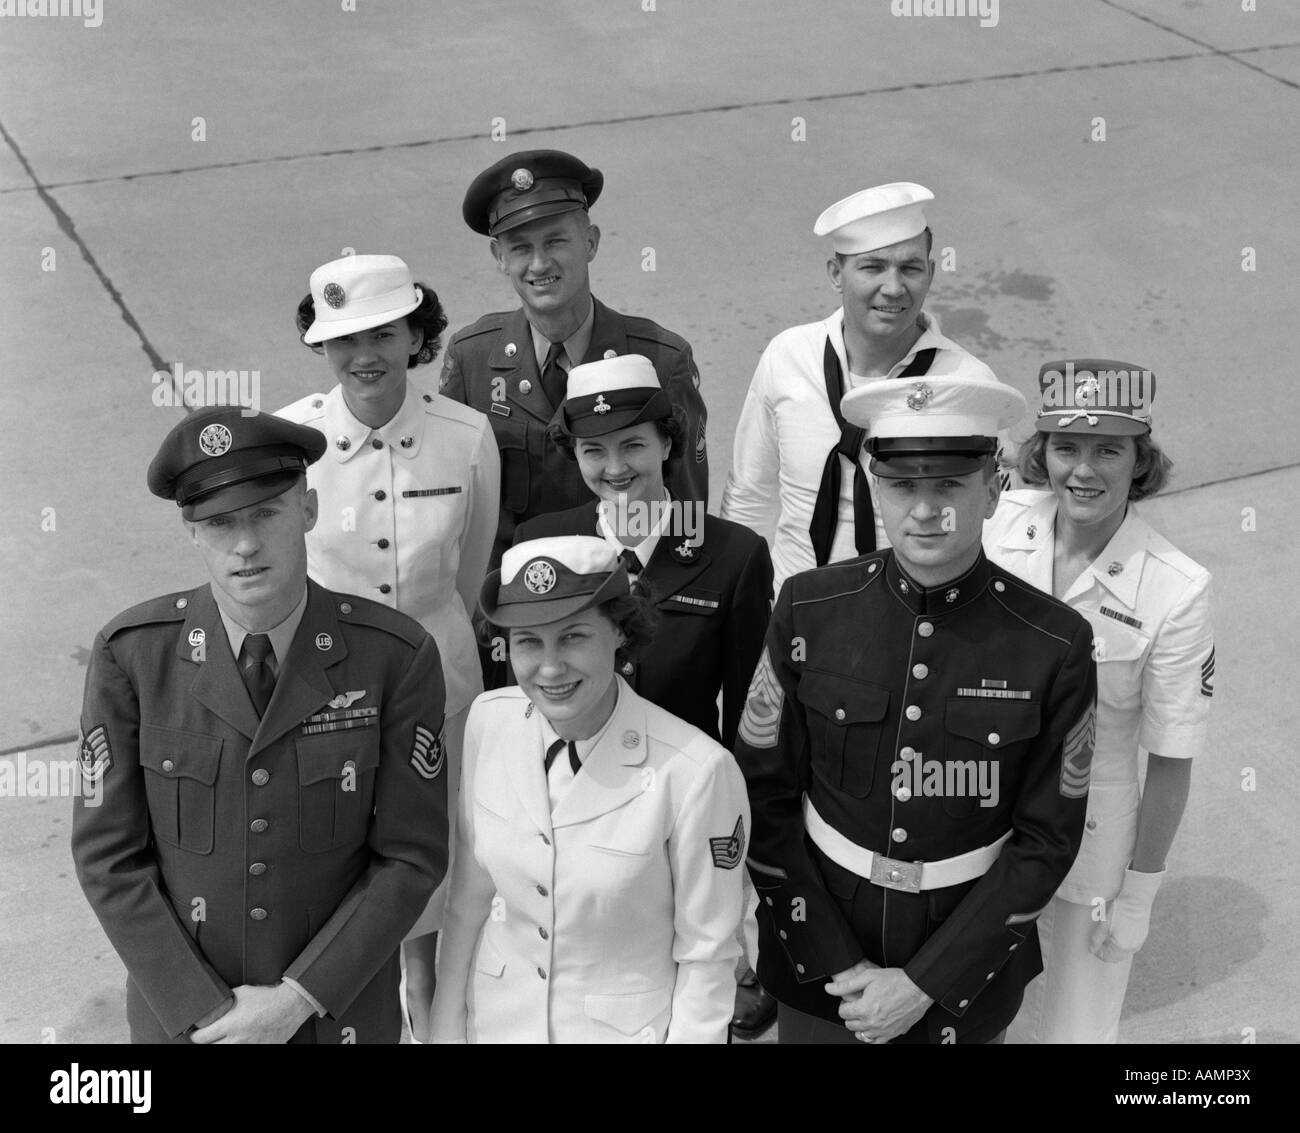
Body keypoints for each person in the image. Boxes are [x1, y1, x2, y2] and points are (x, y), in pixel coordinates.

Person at [732, 364, 1098, 1044]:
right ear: (876, 486)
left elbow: (1047, 840)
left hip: (966, 967)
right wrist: (838, 964)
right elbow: (761, 793)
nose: (926, 509)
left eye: (950, 485)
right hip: (820, 955)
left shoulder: (1054, 644)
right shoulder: (809, 609)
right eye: (903, 485)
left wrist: (926, 982)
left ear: (994, 490)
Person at [72, 407, 448, 1044]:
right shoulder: (133, 656)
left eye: (266, 514)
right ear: (191, 532)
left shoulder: (394, 656)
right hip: (185, 1024)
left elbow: (411, 857)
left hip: (338, 1018)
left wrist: (298, 1002)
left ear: (308, 510)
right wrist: (206, 1013)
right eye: (219, 523)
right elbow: (107, 858)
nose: (244, 545)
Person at [515, 354, 778, 1039]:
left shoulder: (733, 554)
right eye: (593, 450)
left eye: (634, 444)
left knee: (686, 986)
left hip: (680, 819)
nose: (616, 468)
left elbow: (752, 720)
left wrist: (741, 863)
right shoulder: (540, 546)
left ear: (669, 442)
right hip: (565, 819)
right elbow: (519, 704)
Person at [278, 253, 499, 1041]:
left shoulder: (467, 437)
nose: (363, 356)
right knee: (342, 864)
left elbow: (469, 578)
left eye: (382, 332)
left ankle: (436, 1017)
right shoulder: (294, 436)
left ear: (416, 334)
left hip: (439, 691)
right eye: (342, 340)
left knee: (433, 870)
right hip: (329, 693)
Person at [429, 537, 749, 1043]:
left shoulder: (697, 772)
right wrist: (443, 1033)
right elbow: (467, 901)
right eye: (528, 641)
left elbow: (706, 957)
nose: (550, 668)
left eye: (573, 637)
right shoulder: (488, 722)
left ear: (620, 631)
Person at [984, 358, 1214, 1043]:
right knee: (966, 1016)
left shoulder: (1177, 587)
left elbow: (1172, 754)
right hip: (977, 818)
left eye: (1108, 449)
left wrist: (1140, 889)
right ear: (1041, 454)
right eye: (1066, 447)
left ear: (1140, 461)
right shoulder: (996, 524)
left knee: (1075, 1033)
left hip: (1090, 845)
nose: (1083, 471)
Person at [439, 149, 709, 580]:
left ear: (591, 241)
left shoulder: (660, 359)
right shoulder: (473, 360)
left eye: (555, 241)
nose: (540, 264)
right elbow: (458, 507)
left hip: (625, 605)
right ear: (499, 257)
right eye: (520, 248)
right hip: (514, 604)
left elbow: (687, 511)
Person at [721, 182, 1000, 597]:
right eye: (872, 267)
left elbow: (994, 522)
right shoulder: (787, 357)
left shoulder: (968, 385)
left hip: (910, 625)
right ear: (836, 274)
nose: (893, 288)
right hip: (790, 613)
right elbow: (750, 495)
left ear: (931, 272)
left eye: (910, 268)